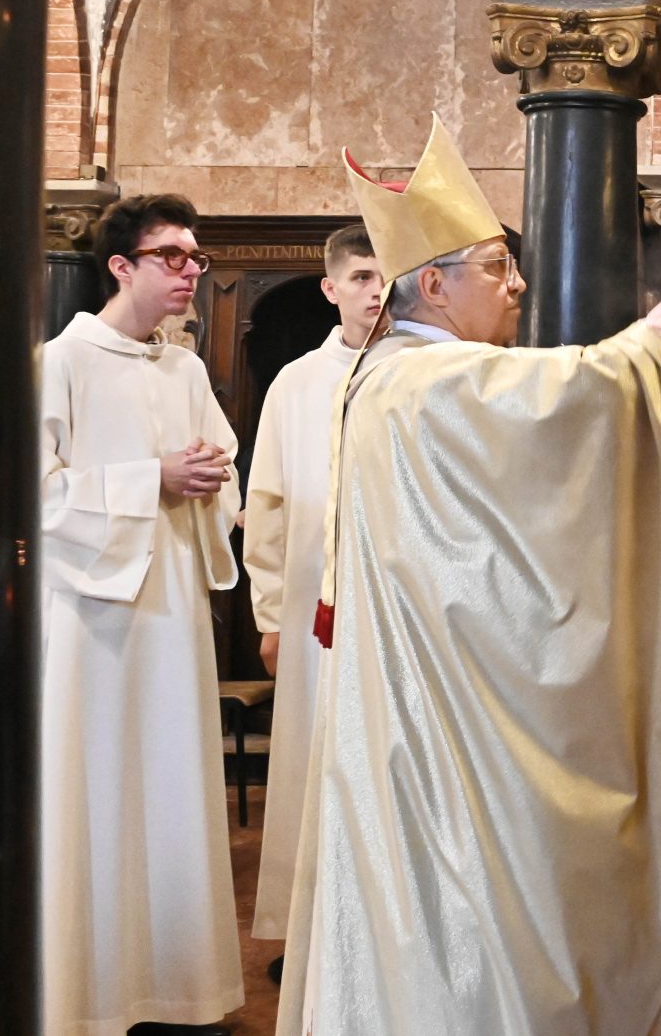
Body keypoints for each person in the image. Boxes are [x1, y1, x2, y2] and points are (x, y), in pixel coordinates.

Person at [277, 122, 661, 1036]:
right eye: (497, 266)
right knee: (462, 932)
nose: (521, 283)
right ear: (434, 283)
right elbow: (579, 403)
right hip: (440, 739)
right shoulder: (423, 384)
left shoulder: (398, 379)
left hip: (422, 712)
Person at [38, 193, 245, 1035]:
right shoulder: (60, 360)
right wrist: (147, 479)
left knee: (172, 792)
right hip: (93, 622)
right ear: (121, 266)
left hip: (172, 616)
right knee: (95, 798)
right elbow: (32, 496)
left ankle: (176, 990)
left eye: (195, 258)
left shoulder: (185, 368)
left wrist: (205, 477)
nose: (190, 271)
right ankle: (87, 997)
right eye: (171, 256)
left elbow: (221, 474)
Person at [242, 223, 382, 976]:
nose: (374, 290)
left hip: (395, 619)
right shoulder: (297, 383)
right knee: (311, 769)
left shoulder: (423, 371)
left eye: (385, 275)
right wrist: (270, 614)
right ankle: (306, 931)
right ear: (330, 289)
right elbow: (265, 504)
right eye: (359, 276)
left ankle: (377, 933)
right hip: (312, 623)